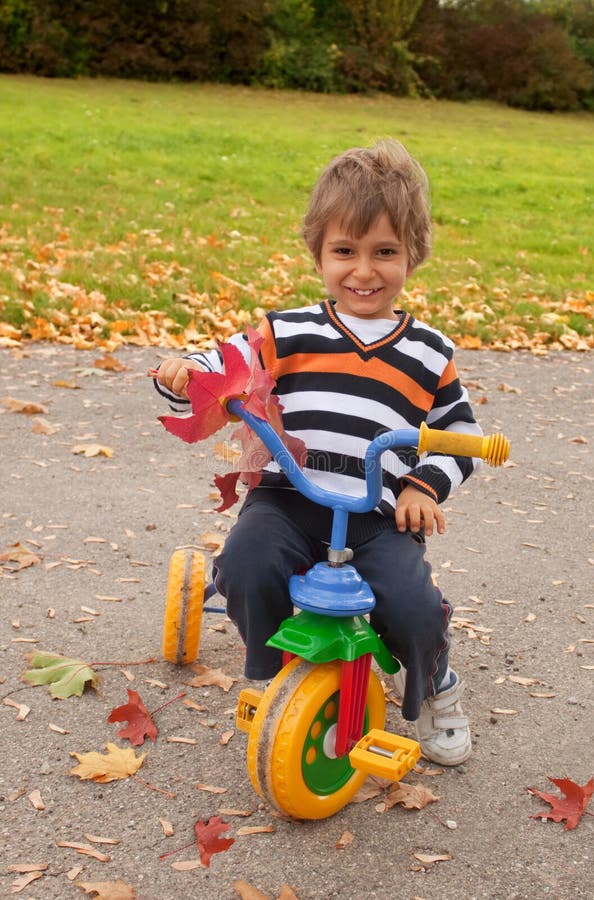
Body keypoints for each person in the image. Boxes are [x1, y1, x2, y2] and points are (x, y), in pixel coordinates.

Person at [154, 139, 482, 765]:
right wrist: (183, 371)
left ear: (414, 254)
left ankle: (435, 681)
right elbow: (227, 364)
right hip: (289, 496)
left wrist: (424, 485)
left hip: (376, 516)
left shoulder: (429, 352)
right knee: (247, 565)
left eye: (385, 252)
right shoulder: (288, 330)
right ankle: (282, 671)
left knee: (413, 608)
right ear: (319, 254)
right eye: (345, 252)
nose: (364, 271)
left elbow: (460, 431)